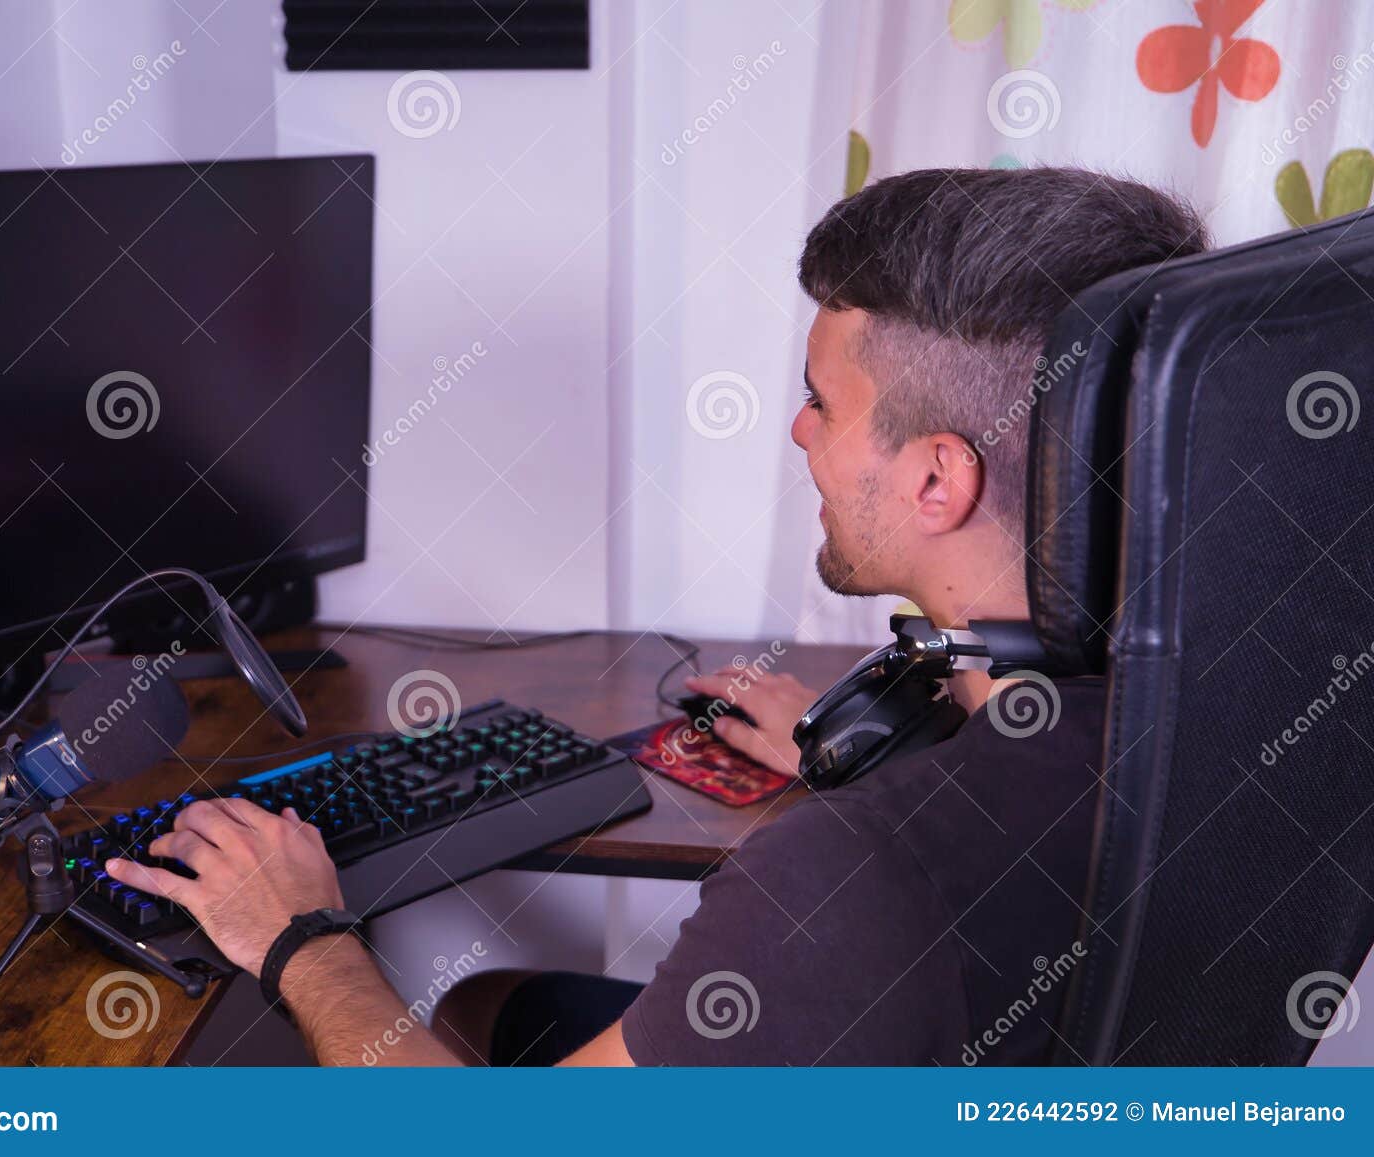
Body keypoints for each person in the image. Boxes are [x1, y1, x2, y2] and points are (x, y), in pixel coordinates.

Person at [106, 166, 1209, 1065]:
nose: (798, 431)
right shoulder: (1220, 693)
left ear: (936, 480)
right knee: (489, 1002)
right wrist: (852, 760)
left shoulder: (847, 873)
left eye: (822, 401)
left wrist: (301, 936)